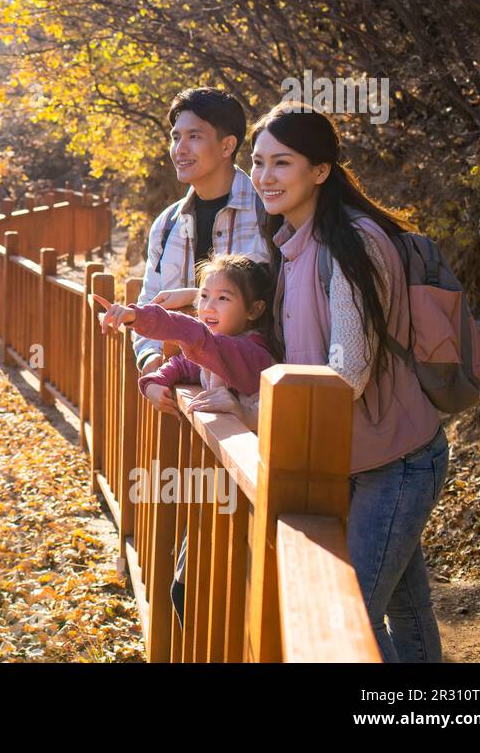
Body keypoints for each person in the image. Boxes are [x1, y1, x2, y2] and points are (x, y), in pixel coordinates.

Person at [247, 100, 450, 662]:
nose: (265, 176)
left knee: (350, 616)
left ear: (320, 171)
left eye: (282, 163)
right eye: (259, 162)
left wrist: (267, 410)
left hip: (398, 460)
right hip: (356, 458)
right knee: (407, 611)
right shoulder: (292, 243)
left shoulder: (350, 243)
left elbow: (349, 372)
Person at [102, 253, 278, 625]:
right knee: (184, 589)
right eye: (203, 296)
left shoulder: (251, 352)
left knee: (221, 602)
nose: (208, 307)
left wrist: (139, 317)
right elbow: (183, 363)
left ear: (255, 309)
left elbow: (192, 336)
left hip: (250, 493)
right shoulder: (219, 344)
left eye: (223, 298)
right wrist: (152, 382)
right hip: (218, 490)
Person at [135, 88, 269, 378]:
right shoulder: (167, 223)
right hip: (178, 391)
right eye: (175, 137)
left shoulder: (267, 216)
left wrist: (195, 297)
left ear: (227, 146)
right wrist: (150, 358)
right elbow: (150, 300)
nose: (180, 148)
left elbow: (279, 309)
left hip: (244, 399)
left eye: (194, 136)